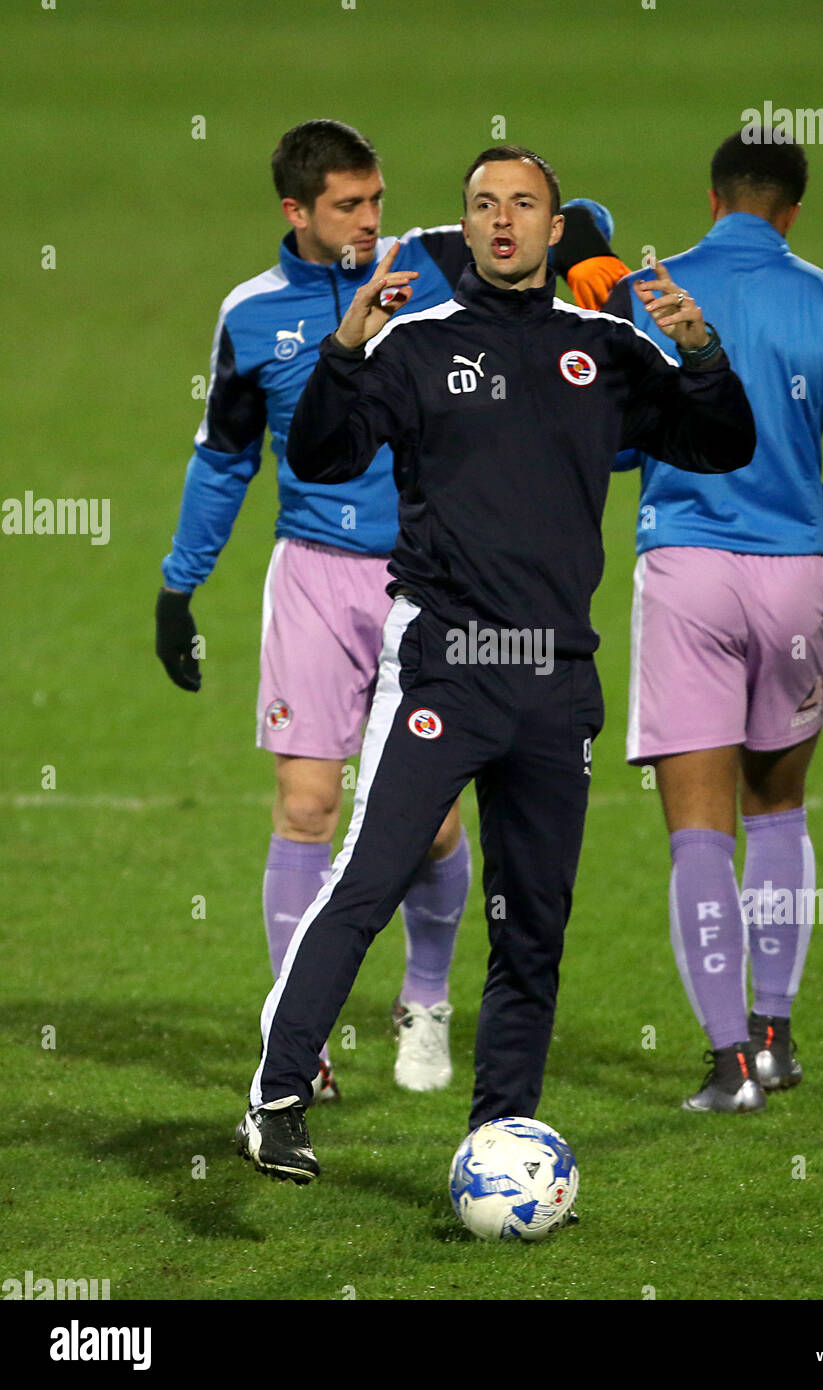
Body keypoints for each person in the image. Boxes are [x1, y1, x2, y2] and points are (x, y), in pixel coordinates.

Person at [235, 144, 755, 1183]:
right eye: (483, 205)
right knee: (369, 876)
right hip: (444, 665)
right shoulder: (416, 344)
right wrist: (343, 348)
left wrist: (700, 357)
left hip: (555, 678)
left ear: (554, 230)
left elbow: (720, 443)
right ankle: (278, 1096)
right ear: (463, 228)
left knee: (531, 923)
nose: (503, 219)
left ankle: (499, 1136)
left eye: (523, 204)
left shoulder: (603, 349)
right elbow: (323, 454)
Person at [155, 121, 617, 1097]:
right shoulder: (251, 316)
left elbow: (575, 224)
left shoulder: (433, 263)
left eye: (376, 199)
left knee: (433, 830)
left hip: (445, 594)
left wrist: (597, 266)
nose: (370, 222)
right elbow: (225, 454)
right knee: (307, 804)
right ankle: (302, 1049)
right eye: (347, 207)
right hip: (318, 577)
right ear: (297, 212)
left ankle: (424, 996)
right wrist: (179, 582)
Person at [602, 130, 823, 1111]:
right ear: (790, 212)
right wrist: (820, 507)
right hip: (791, 574)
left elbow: (604, 442)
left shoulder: (647, 296)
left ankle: (726, 1064)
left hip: (683, 571)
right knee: (776, 807)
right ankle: (774, 1036)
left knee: (699, 831)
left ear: (710, 199)